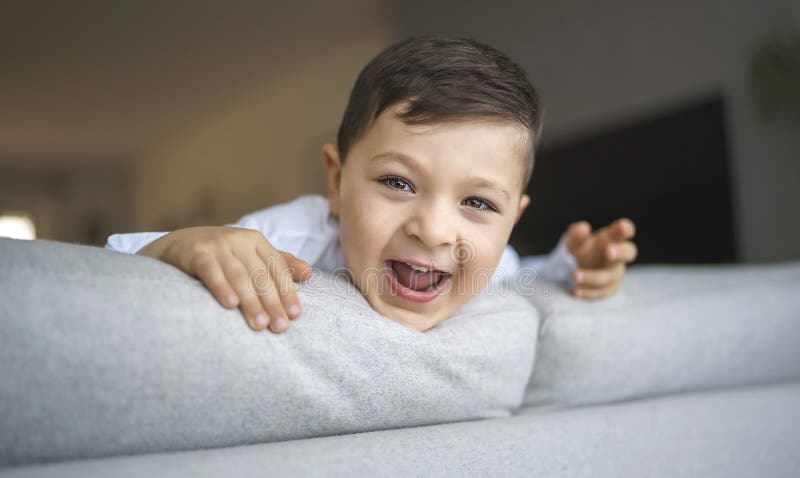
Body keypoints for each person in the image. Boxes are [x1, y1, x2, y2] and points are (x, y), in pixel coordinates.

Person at [107, 36, 637, 333]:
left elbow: (527, 276)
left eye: (477, 201)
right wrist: (184, 244)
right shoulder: (288, 239)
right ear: (337, 183)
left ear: (511, 221)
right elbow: (105, 270)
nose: (433, 231)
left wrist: (577, 270)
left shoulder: (491, 266)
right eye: (398, 182)